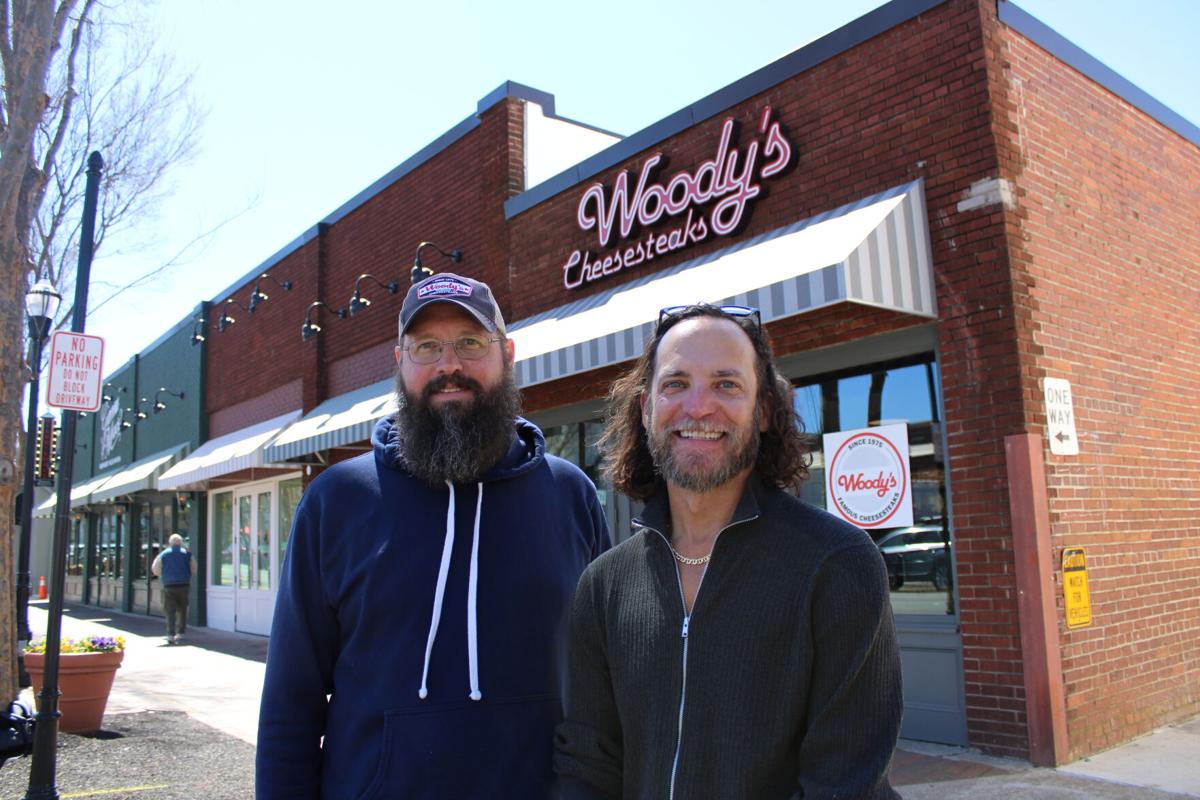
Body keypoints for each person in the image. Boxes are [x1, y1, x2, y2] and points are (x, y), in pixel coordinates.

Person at [257, 272, 611, 800]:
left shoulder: (570, 495)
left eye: (471, 343)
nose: (449, 365)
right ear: (399, 362)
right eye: (427, 347)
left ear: (507, 353)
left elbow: (601, 686)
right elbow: (291, 703)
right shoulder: (335, 501)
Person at [555, 304, 903, 799]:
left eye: (726, 384)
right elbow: (588, 766)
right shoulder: (604, 585)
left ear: (763, 410)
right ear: (646, 409)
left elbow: (846, 785)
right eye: (675, 383)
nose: (698, 407)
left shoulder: (838, 565)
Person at [151, 533, 195, 645]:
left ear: (170, 543)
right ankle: (181, 632)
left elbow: (155, 569)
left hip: (169, 585)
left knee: (170, 611)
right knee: (183, 609)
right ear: (180, 543)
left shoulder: (164, 554)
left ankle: (170, 634)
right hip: (184, 584)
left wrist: (164, 574)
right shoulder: (187, 554)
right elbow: (194, 569)